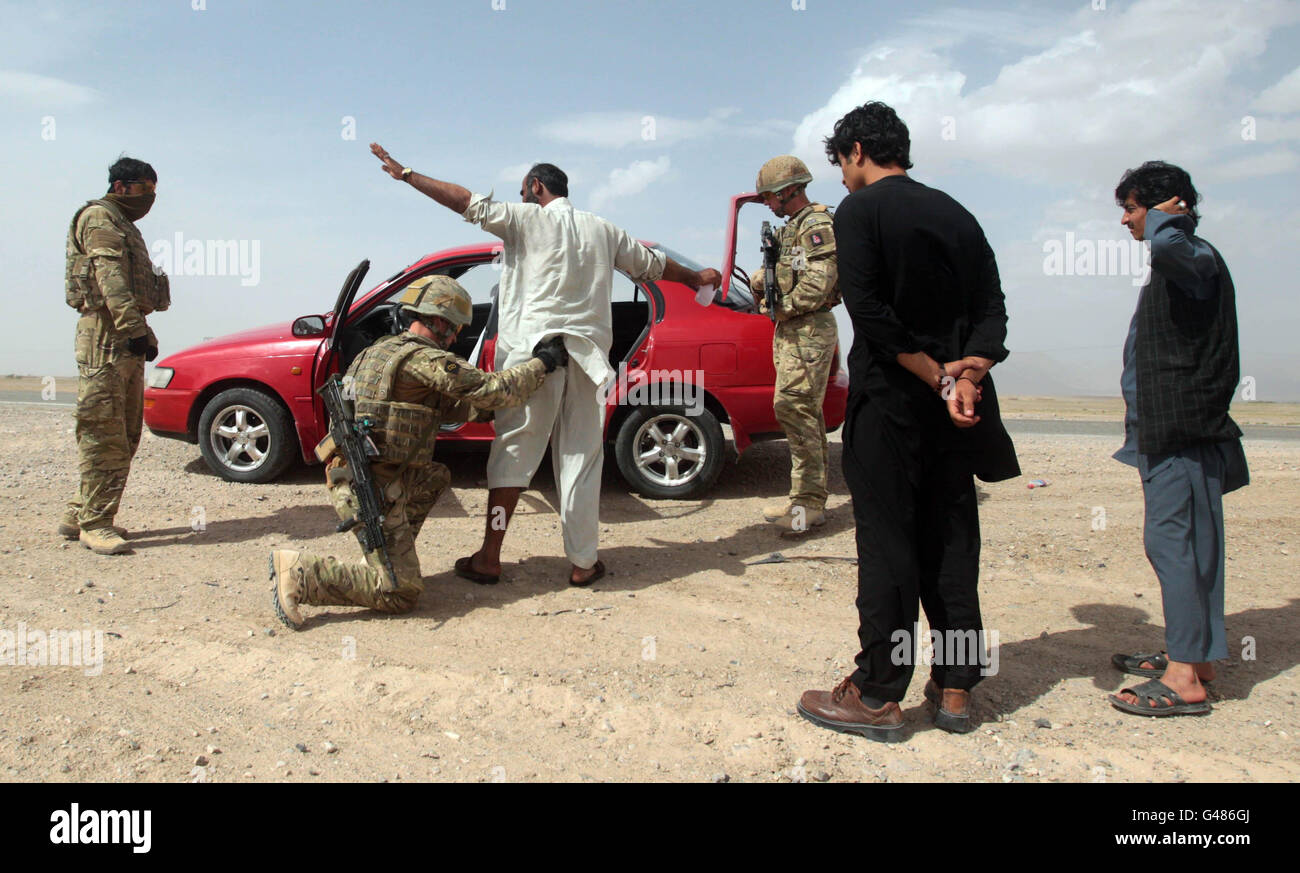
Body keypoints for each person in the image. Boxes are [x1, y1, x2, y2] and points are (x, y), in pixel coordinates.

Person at [368, 143, 721, 586]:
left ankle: (490, 557)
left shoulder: (524, 219)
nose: (519, 199)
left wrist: (409, 176)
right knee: (581, 458)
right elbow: (652, 266)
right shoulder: (604, 230)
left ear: (536, 187)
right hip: (588, 361)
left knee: (514, 454)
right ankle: (583, 562)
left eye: (521, 191)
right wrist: (697, 277)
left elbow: (464, 201)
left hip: (534, 359)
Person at [796, 102, 1019, 741]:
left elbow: (867, 310)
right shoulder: (956, 211)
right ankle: (955, 687)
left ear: (858, 149)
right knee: (951, 537)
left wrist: (937, 376)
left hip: (893, 406)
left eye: (839, 161)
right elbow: (992, 308)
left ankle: (876, 694)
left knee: (890, 547)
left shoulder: (858, 212)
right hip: (959, 415)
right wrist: (968, 377)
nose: (840, 176)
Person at [270, 277, 567, 628]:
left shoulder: (379, 351)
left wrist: (496, 410)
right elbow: (491, 390)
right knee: (401, 594)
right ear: (439, 321)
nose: (456, 337)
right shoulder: (424, 359)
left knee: (434, 475)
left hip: (361, 474)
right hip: (369, 487)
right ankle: (302, 572)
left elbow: (451, 408)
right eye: (455, 329)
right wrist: (542, 364)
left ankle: (388, 557)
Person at [1107, 161, 1249, 717]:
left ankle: (1186, 678)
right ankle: (1196, 657)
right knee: (1192, 545)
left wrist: (1169, 224)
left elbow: (1170, 250)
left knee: (1174, 544)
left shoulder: (1191, 254)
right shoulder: (1186, 260)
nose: (1125, 220)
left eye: (1133, 208)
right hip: (1174, 429)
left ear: (1171, 207)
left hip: (1182, 430)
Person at [58, 156, 170, 555]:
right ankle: (95, 523)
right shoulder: (99, 218)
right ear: (121, 186)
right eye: (145, 189)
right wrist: (134, 329)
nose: (150, 198)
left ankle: (80, 512)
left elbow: (131, 292)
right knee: (104, 431)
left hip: (124, 331)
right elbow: (109, 280)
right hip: (106, 335)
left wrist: (144, 332)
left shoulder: (126, 226)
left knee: (125, 432)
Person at [749, 155, 840, 530]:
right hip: (794, 329)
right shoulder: (793, 228)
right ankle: (806, 499)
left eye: (770, 197)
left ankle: (807, 506)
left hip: (807, 326)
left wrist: (782, 306)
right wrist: (759, 281)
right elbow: (790, 268)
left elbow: (821, 279)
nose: (768, 204)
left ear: (788, 191)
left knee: (793, 407)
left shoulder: (816, 223)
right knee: (802, 412)